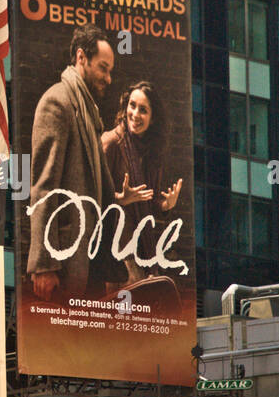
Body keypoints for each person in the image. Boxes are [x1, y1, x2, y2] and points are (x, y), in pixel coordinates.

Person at [27, 24, 127, 300]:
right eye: (103, 68)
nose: (108, 78)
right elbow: (43, 188)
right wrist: (44, 265)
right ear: (81, 57)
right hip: (64, 267)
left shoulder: (87, 110)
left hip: (89, 262)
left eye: (110, 71)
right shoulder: (57, 103)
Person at [100, 81, 184, 285]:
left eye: (143, 110)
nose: (135, 114)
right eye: (132, 105)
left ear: (153, 119)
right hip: (114, 255)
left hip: (142, 252)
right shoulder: (110, 143)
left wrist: (164, 207)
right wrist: (119, 199)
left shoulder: (151, 153)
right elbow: (91, 197)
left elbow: (147, 204)